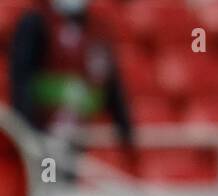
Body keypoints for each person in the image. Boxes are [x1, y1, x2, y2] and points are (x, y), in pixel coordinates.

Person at [8, 0, 134, 156]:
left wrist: (124, 128)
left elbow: (111, 82)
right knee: (50, 175)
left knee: (67, 175)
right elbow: (21, 77)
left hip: (77, 129)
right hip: (46, 129)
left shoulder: (96, 28)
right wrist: (27, 131)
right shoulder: (36, 22)